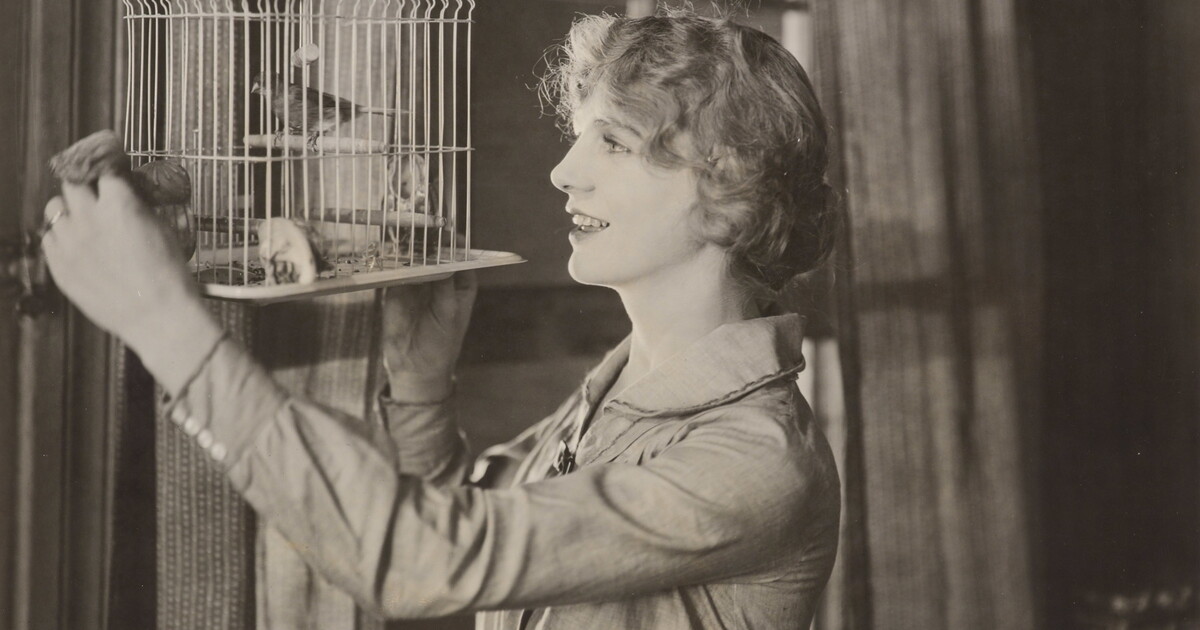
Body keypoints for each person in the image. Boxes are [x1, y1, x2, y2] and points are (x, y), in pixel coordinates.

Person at [42, 9, 842, 629]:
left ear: (727, 184)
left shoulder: (757, 461)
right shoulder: (630, 384)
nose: (564, 174)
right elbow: (487, 533)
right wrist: (422, 390)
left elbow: (432, 558)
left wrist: (166, 326)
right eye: (577, 141)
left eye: (615, 144)